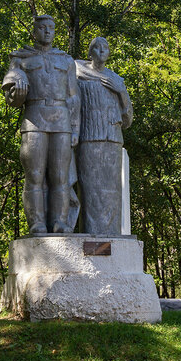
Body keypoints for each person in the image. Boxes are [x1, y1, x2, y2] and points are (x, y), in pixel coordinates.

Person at [2, 15, 80, 234]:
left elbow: (74, 97)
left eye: (51, 28)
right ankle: (36, 222)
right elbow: (12, 100)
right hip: (34, 118)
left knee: (60, 176)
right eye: (42, 28)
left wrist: (76, 128)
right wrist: (17, 92)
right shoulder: (20, 58)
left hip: (62, 119)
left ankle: (60, 222)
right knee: (35, 175)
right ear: (34, 32)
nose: (47, 31)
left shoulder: (65, 60)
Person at [74, 36, 132, 235]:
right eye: (97, 47)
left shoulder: (116, 80)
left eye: (105, 47)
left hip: (113, 139)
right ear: (90, 53)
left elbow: (128, 119)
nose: (101, 51)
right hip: (89, 138)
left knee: (112, 193)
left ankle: (112, 238)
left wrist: (121, 92)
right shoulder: (78, 73)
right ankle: (92, 236)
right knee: (91, 191)